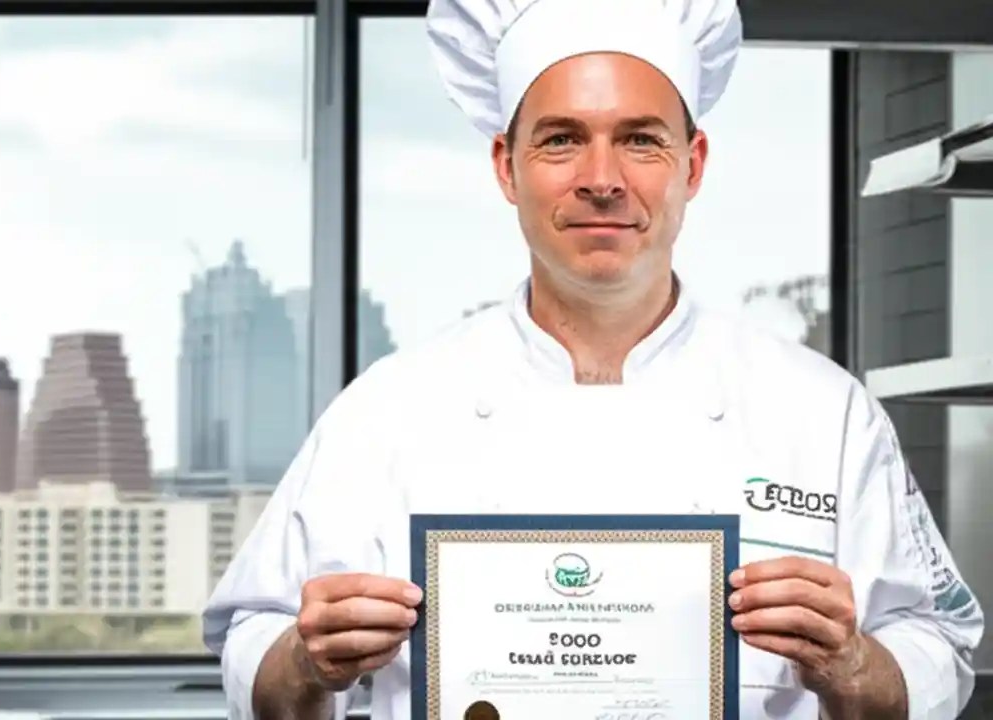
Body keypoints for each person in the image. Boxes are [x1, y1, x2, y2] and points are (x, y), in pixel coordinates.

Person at [202, 0, 985, 716]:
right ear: (507, 166)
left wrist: (852, 663)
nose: (602, 180)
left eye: (640, 139)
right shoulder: (388, 409)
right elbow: (250, 643)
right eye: (562, 140)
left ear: (693, 164)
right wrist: (307, 662)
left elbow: (938, 646)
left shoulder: (822, 410)